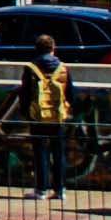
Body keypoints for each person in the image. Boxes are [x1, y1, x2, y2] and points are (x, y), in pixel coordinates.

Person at [21, 34, 74, 201]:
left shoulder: (31, 68)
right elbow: (70, 93)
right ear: (53, 48)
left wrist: (26, 113)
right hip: (58, 116)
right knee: (59, 153)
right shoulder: (63, 68)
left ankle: (41, 190)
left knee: (40, 153)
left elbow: (25, 93)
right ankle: (60, 190)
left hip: (37, 116)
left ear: (36, 49)